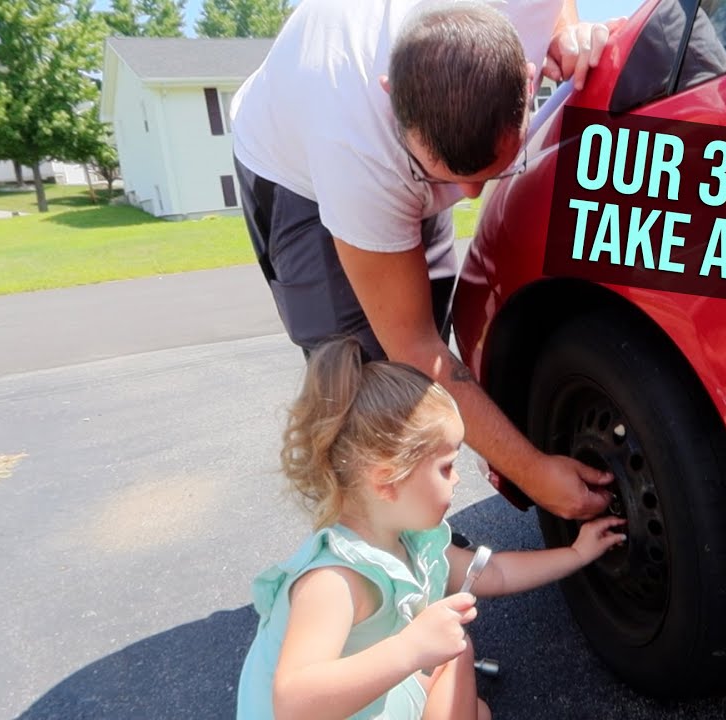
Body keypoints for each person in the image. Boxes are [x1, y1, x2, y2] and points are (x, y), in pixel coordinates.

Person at [230, 0, 624, 521]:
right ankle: (377, 557)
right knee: (370, 385)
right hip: (292, 171)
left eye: (493, 171)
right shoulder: (356, 150)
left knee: (430, 367)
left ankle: (420, 517)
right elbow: (414, 348)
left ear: (528, 80)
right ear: (396, 98)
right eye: (445, 176)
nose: (470, 196)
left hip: (406, 148)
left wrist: (566, 31)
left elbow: (555, 9)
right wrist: (535, 474)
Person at [236, 336, 627, 720]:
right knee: (454, 653)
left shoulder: (410, 539)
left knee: (459, 668)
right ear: (387, 481)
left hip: (361, 703)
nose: (457, 480)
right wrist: (409, 648)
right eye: (446, 467)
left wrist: (577, 553)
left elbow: (495, 573)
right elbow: (292, 703)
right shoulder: (334, 580)